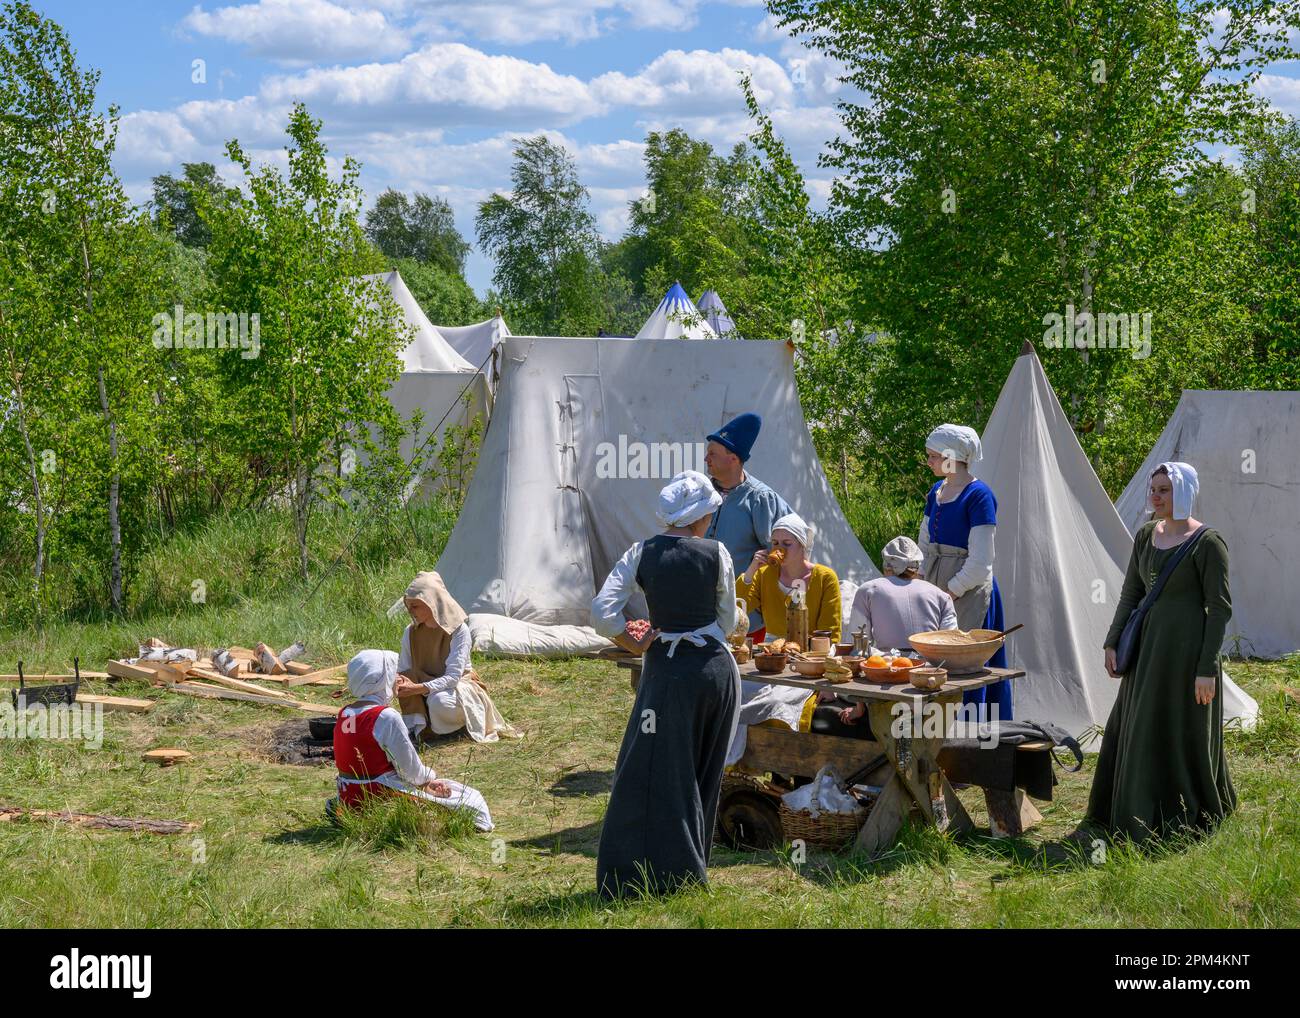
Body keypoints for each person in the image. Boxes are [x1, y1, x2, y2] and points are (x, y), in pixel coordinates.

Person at [591, 470, 743, 898]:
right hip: (715, 672)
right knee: (703, 772)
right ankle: (686, 871)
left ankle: (648, 875)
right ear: (702, 516)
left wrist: (631, 638)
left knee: (654, 769)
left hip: (668, 675)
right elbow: (728, 622)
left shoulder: (642, 552)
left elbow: (602, 613)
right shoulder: (718, 554)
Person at [1087, 462, 1236, 844]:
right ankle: (1135, 810)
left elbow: (1218, 609)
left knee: (1179, 729)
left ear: (1183, 492)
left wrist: (1207, 668)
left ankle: (1182, 812)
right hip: (1147, 654)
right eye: (1153, 488)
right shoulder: (1145, 536)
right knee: (1140, 727)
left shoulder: (1207, 543)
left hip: (1186, 658)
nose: (1155, 495)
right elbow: (1131, 593)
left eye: (1165, 489)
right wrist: (1112, 640)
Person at [331, 649, 494, 831]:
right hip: (379, 792)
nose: (397, 679)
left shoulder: (345, 712)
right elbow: (409, 769)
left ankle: (346, 812)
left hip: (348, 793)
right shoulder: (385, 716)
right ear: (381, 680)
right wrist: (427, 781)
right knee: (472, 801)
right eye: (393, 674)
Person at [920, 423, 1010, 720]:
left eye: (933, 456)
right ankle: (937, 737)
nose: (929, 461)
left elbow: (981, 560)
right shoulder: (936, 491)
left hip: (969, 591)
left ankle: (971, 739)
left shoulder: (979, 495)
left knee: (966, 666)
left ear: (950, 456)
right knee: (935, 662)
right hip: (936, 585)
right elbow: (925, 541)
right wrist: (922, 581)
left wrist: (951, 591)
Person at [839, 536, 958, 727]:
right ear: (918, 566)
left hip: (885, 678)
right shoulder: (941, 595)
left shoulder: (868, 590)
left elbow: (858, 650)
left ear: (887, 565)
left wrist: (859, 704)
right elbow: (950, 647)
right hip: (928, 679)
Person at [394, 571, 519, 744]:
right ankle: (425, 729)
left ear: (431, 603)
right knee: (420, 695)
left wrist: (417, 688)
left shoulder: (459, 631)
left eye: (415, 606)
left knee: (439, 702)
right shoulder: (410, 632)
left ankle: (457, 727)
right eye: (409, 606)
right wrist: (402, 683)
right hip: (422, 689)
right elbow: (403, 669)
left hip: (456, 688)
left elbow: (453, 677)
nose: (410, 611)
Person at [702, 411, 792, 637]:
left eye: (712, 454)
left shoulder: (760, 499)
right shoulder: (700, 493)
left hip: (746, 618)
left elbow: (788, 547)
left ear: (733, 458)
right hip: (702, 612)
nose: (706, 459)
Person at [736, 512, 841, 643]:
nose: (780, 549)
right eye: (775, 543)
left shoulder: (825, 577)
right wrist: (751, 571)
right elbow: (738, 605)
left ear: (802, 545)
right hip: (773, 649)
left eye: (787, 543)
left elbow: (830, 630)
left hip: (812, 651)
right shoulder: (764, 574)